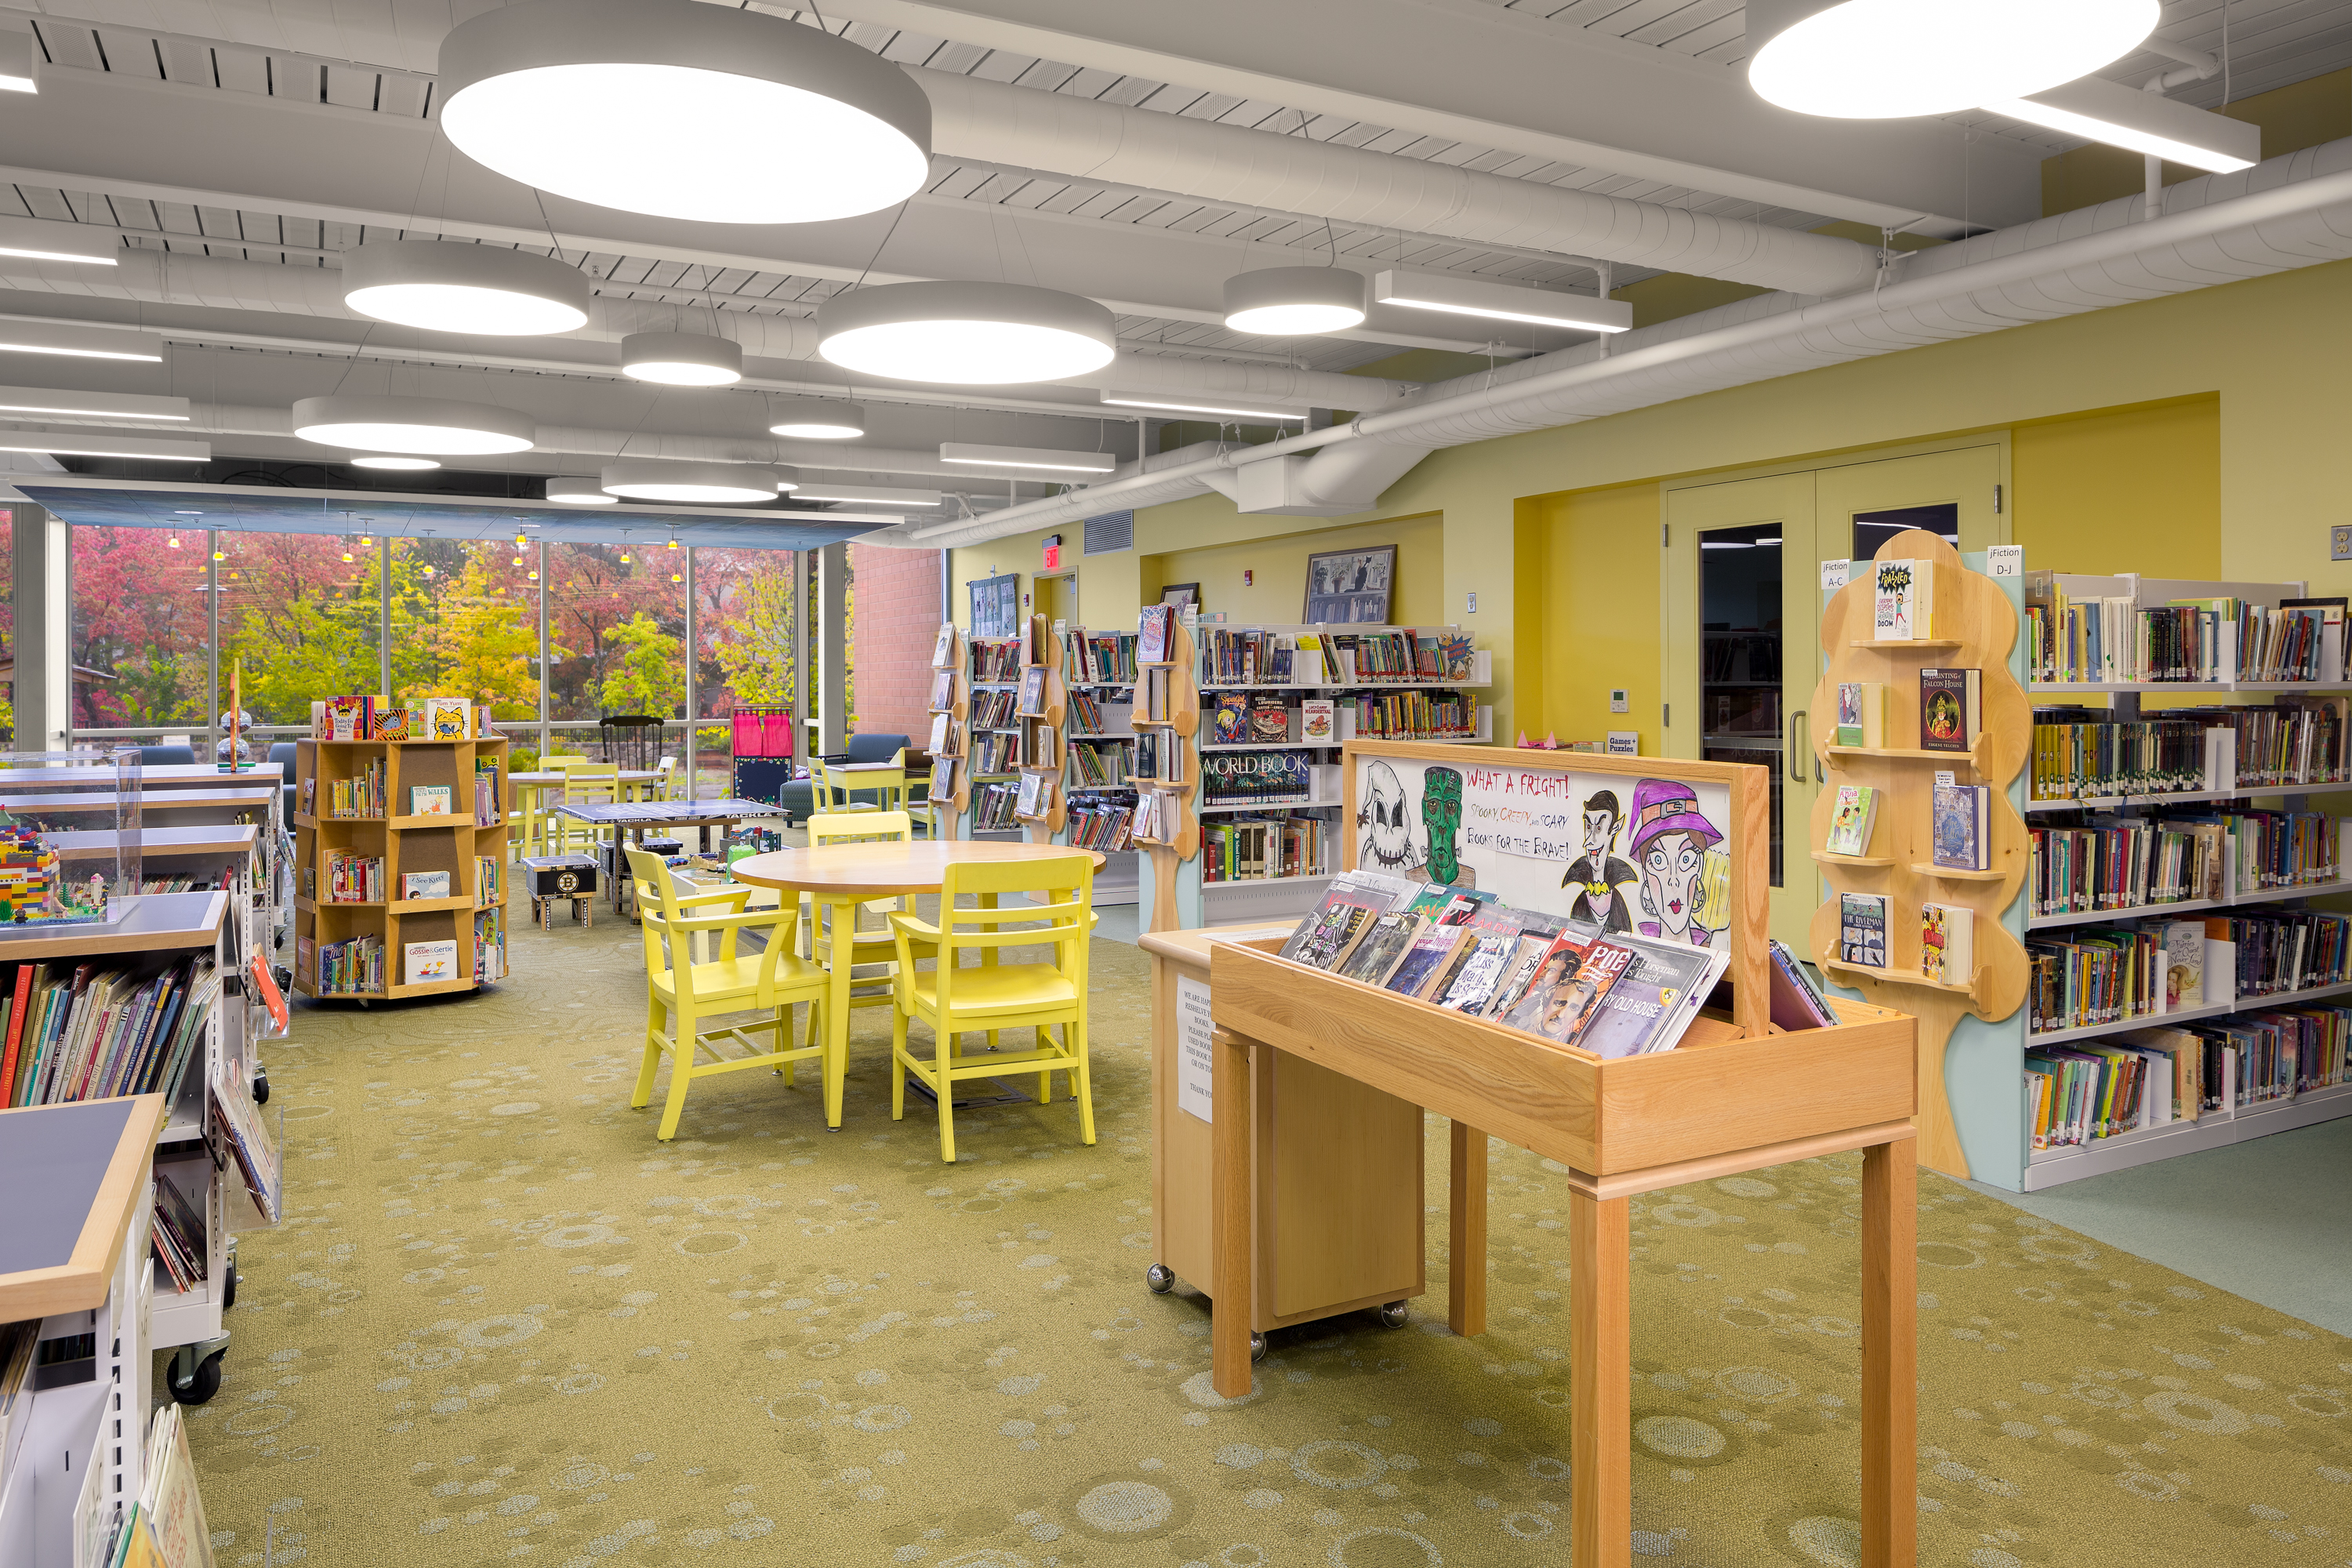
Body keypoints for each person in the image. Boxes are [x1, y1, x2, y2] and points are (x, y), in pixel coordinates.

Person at [1627, 778, 1723, 946]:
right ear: (1645, 872)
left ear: (1699, 866)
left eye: (1686, 859)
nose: (1674, 880)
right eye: (1659, 861)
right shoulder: (1636, 949)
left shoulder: (1713, 949)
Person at [1561, 789, 1636, 931]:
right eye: (1589, 827)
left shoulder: (1618, 903)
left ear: (1615, 829)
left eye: (1599, 828)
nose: (1590, 840)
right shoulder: (1580, 904)